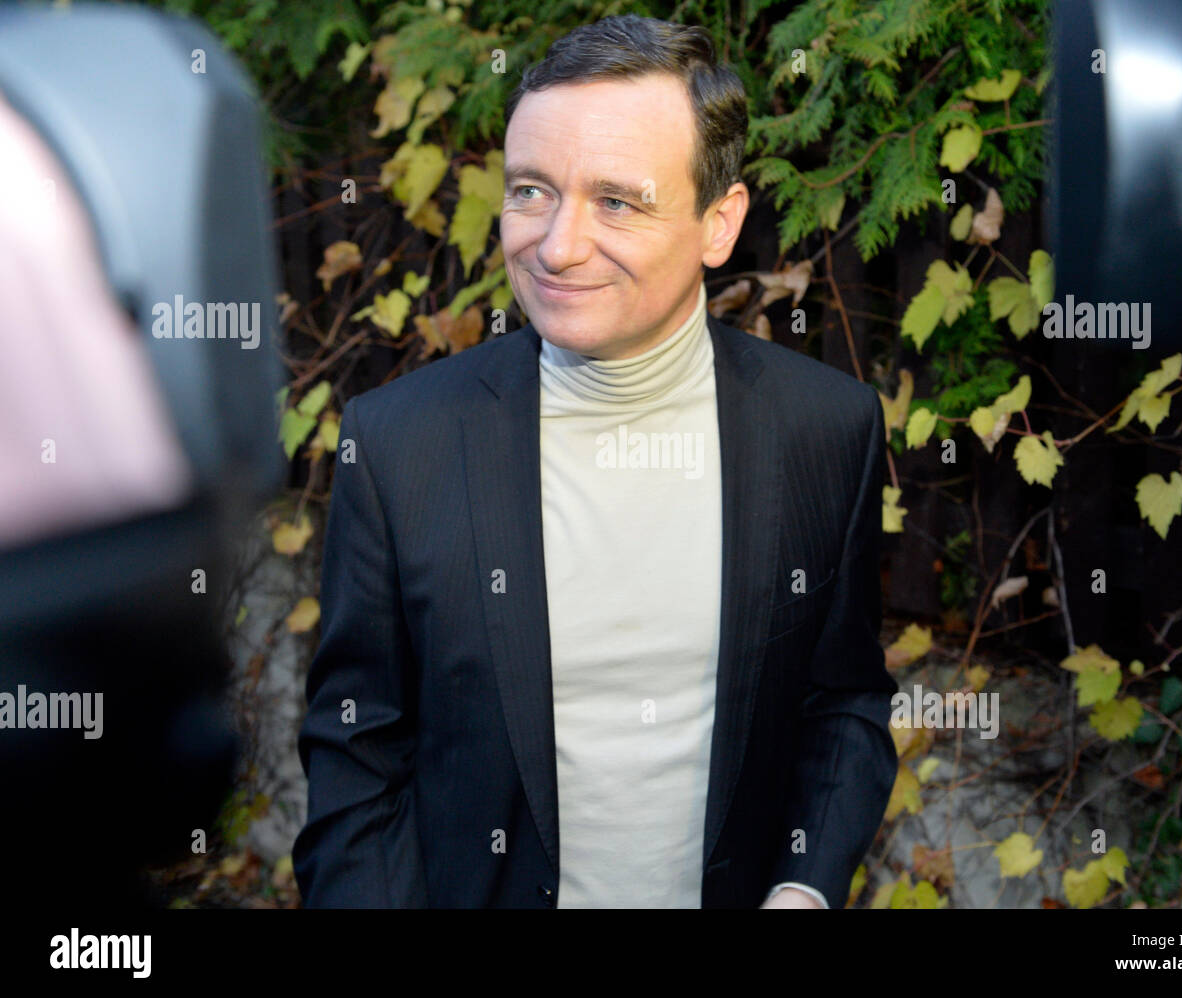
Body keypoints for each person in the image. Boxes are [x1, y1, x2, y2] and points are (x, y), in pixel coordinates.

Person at [293, 13, 898, 909]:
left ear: (718, 224)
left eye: (617, 201)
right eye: (532, 190)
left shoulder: (823, 430)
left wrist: (803, 892)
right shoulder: (398, 444)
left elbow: (841, 706)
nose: (557, 244)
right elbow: (356, 757)